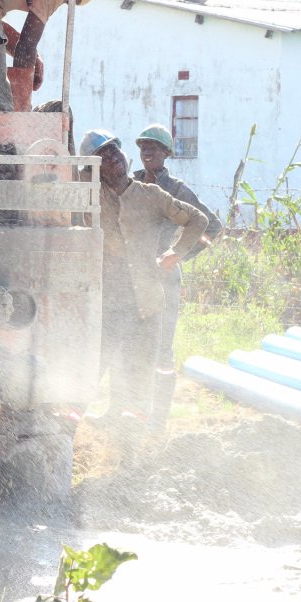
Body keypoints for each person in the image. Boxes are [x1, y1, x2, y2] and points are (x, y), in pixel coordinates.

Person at [80, 129, 208, 436]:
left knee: (144, 372)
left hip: (147, 301)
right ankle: (90, 423)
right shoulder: (93, 198)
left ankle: (139, 439)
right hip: (110, 302)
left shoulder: (152, 195)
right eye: (103, 157)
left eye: (114, 151)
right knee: (101, 365)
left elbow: (200, 221)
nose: (113, 158)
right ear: (94, 169)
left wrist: (174, 254)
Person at [132, 124, 223, 429]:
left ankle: (158, 418)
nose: (148, 151)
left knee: (161, 348)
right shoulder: (132, 183)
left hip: (163, 279)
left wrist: (179, 255)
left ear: (166, 153)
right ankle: (131, 411)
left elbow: (211, 226)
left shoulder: (176, 190)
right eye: (143, 146)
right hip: (135, 276)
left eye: (154, 147)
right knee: (133, 344)